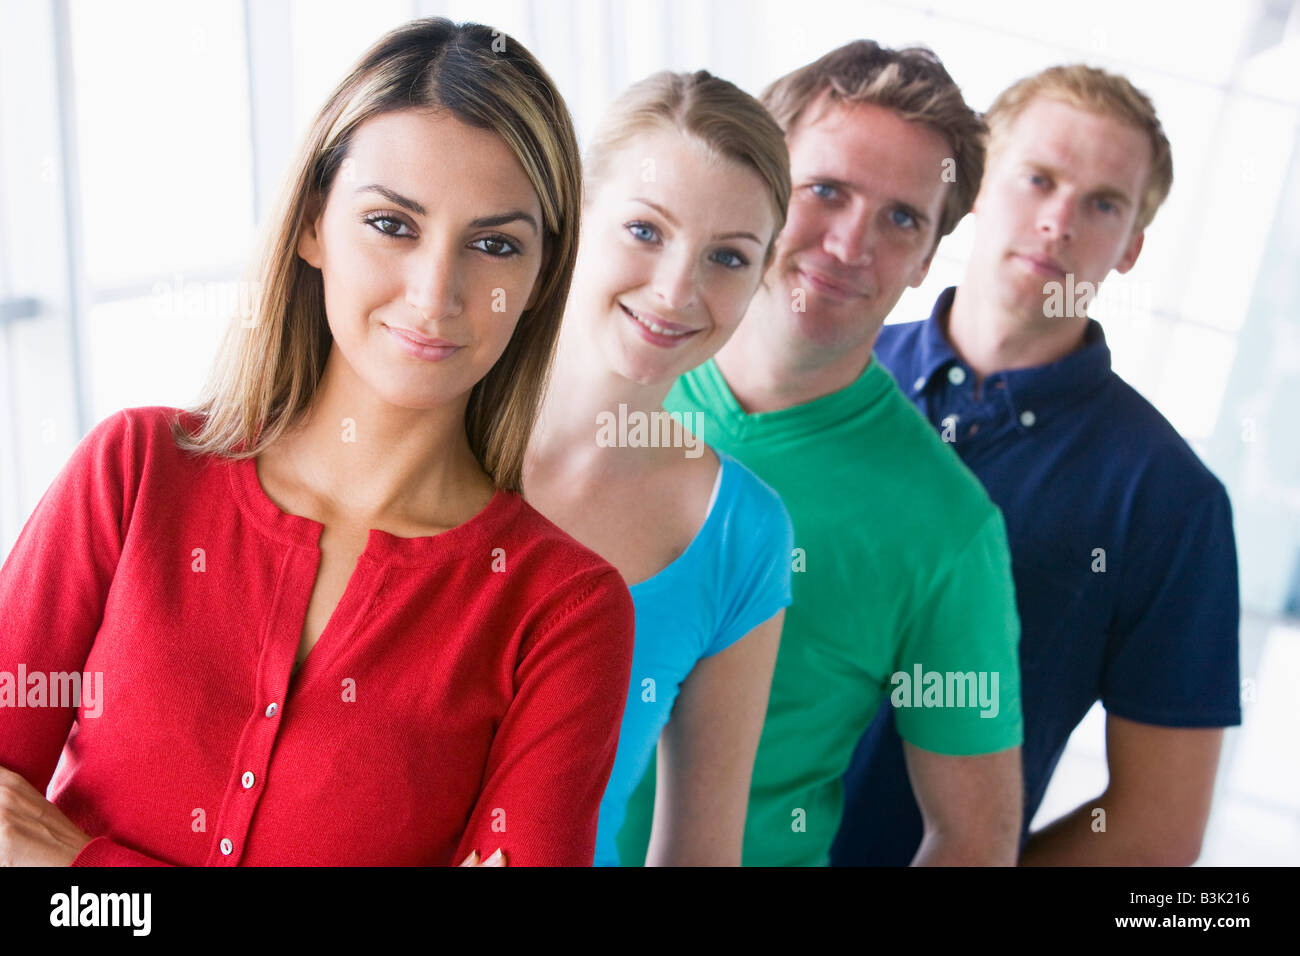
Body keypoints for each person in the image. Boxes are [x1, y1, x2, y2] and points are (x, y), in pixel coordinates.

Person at [0, 17, 634, 867]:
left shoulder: (563, 614)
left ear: (536, 282)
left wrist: (83, 867)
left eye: (493, 245)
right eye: (392, 224)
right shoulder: (133, 476)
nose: (436, 291)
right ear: (311, 227)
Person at [617, 41, 1024, 868]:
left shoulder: (948, 528)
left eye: (902, 218)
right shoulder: (602, 373)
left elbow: (974, 836)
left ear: (927, 261)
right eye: (826, 192)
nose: (849, 243)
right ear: (762, 189)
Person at [834, 64, 1241, 866]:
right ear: (977, 184)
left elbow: (1158, 828)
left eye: (1102, 204)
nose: (1059, 222)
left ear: (1131, 247)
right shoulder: (820, 372)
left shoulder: (1170, 501)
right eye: (1039, 180)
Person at [524, 71, 794, 866]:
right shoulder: (421, 422)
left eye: (728, 258)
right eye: (645, 231)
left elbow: (700, 855)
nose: (677, 290)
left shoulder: (739, 533)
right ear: (574, 217)